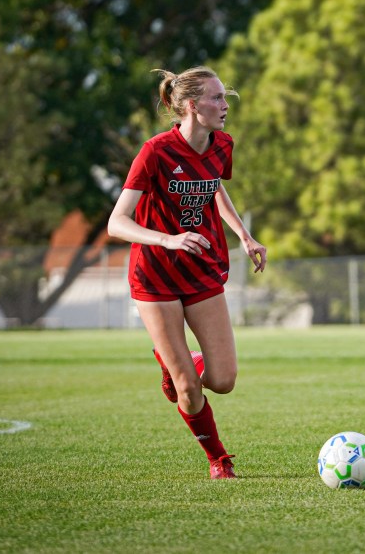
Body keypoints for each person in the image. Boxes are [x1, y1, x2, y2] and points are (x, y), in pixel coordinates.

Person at [107, 66, 267, 480]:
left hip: (201, 270)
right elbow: (117, 223)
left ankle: (178, 360)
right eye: (216, 98)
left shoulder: (221, 145)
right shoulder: (155, 151)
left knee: (224, 379)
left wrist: (244, 236)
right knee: (188, 388)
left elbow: (213, 185)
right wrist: (168, 239)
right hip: (155, 275)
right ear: (192, 107)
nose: (224, 105)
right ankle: (219, 458)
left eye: (225, 96)